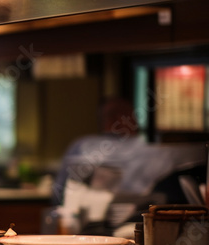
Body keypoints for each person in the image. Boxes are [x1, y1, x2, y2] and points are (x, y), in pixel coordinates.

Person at [52, 97, 207, 230]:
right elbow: (197, 151)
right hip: (136, 223)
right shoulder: (153, 148)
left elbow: (58, 194)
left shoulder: (81, 146)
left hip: (84, 227)